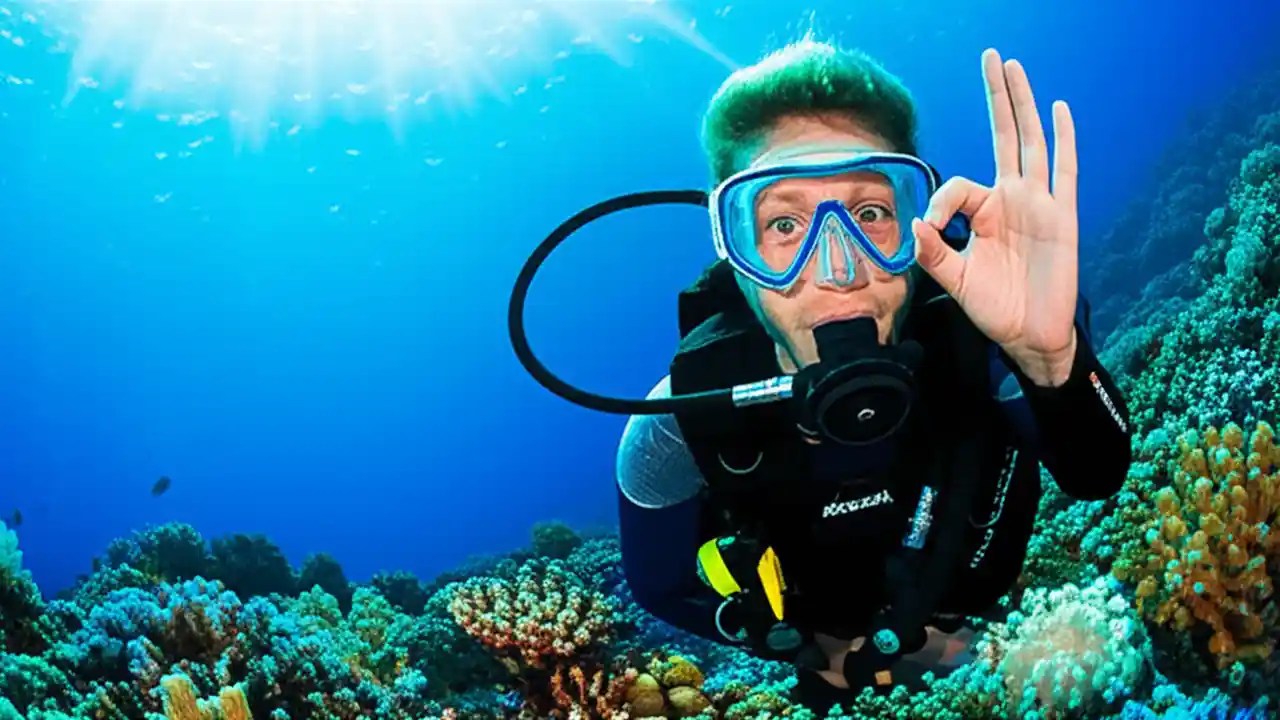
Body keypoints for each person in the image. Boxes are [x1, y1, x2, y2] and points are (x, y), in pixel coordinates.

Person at [611, 39, 1133, 709]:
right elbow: (659, 585)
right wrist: (806, 648)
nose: (838, 269)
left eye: (869, 214)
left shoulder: (980, 340)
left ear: (913, 224)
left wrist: (1050, 360)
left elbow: (1097, 475)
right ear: (735, 253)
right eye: (785, 224)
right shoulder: (681, 422)